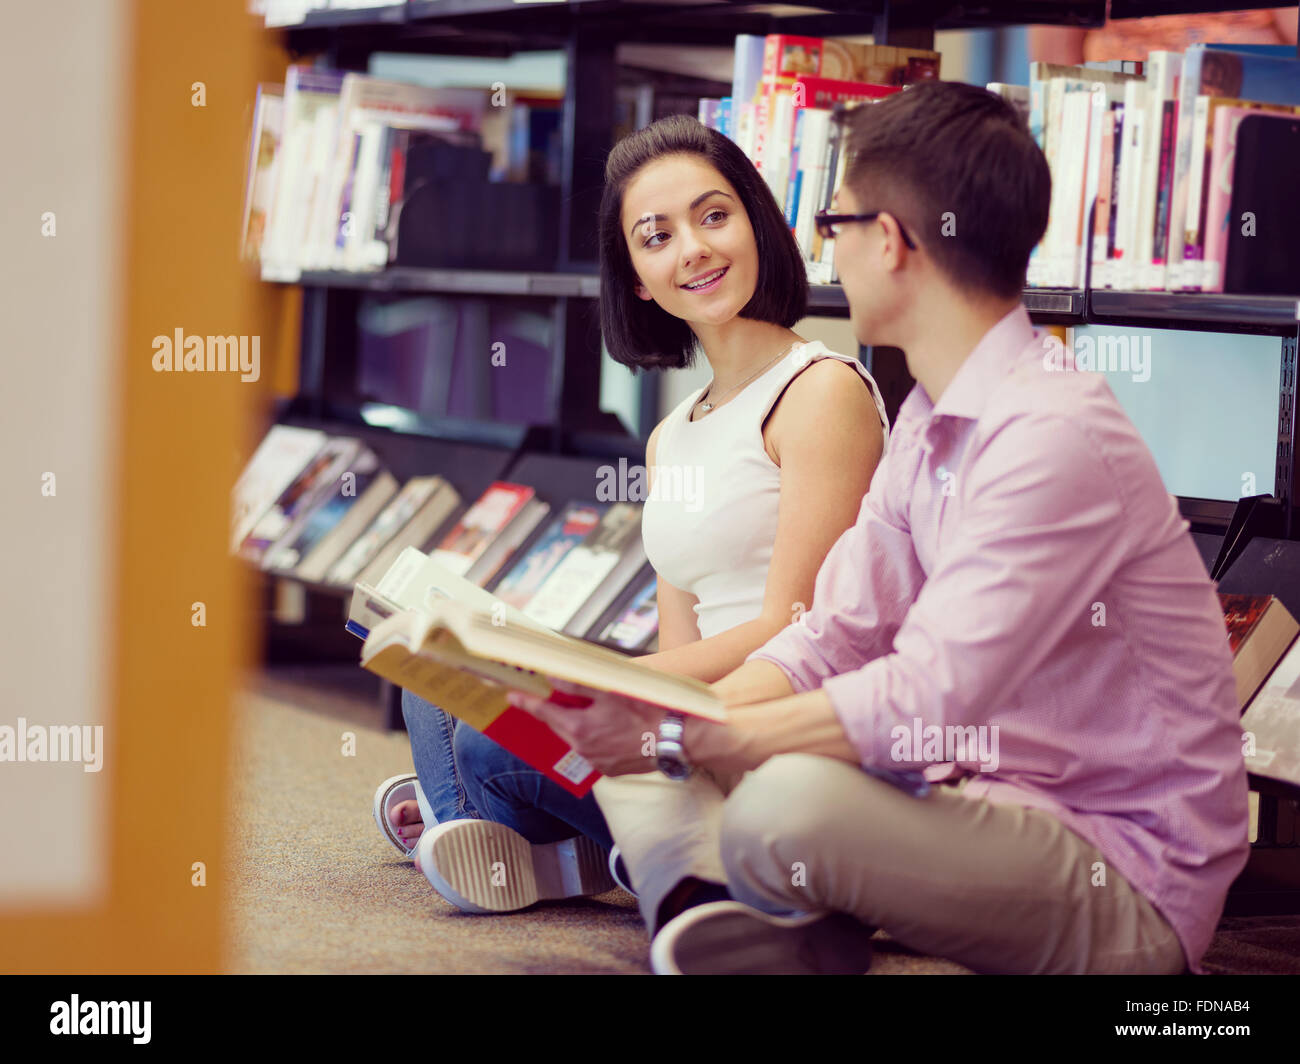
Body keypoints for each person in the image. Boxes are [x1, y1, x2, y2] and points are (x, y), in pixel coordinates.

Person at [514, 80, 1251, 975]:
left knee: (775, 805)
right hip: (975, 802)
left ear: (893, 244)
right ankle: (773, 921)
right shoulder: (930, 418)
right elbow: (835, 631)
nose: (824, 246)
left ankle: (760, 908)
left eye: (840, 223)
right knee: (671, 752)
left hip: (1123, 870)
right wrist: (667, 713)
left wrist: (700, 736)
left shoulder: (1049, 435)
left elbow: (932, 695)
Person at [377, 113, 890, 913]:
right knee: (436, 673)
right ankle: (549, 841)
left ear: (757, 225)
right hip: (683, 717)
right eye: (657, 237)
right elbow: (678, 636)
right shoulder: (668, 437)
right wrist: (572, 680)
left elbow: (801, 625)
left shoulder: (821, 391)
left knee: (487, 737)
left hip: (767, 723)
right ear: (640, 279)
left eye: (714, 216)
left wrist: (601, 688)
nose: (693, 248)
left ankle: (503, 831)